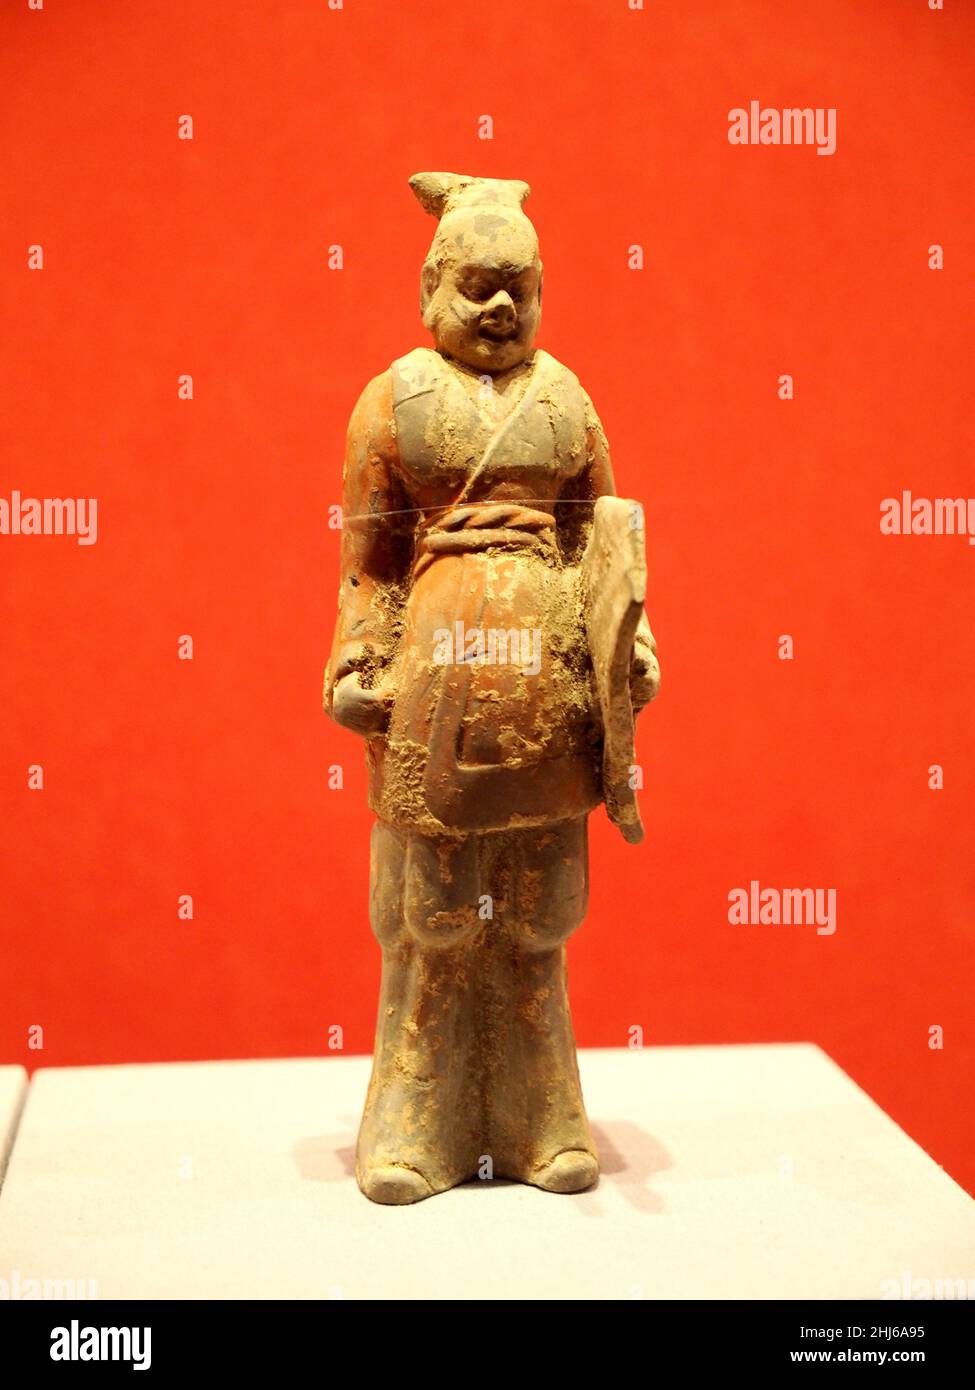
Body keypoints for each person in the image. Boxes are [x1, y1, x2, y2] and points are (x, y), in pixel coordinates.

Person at [324, 172, 659, 1204]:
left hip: (546, 697)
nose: (502, 306)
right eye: (478, 286)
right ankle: (412, 1129)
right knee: (433, 920)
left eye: (521, 286)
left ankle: (541, 1120)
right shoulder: (393, 401)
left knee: (536, 917)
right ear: (432, 287)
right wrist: (356, 662)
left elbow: (601, 541)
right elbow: (370, 564)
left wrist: (629, 646)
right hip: (437, 685)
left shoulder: (565, 399)